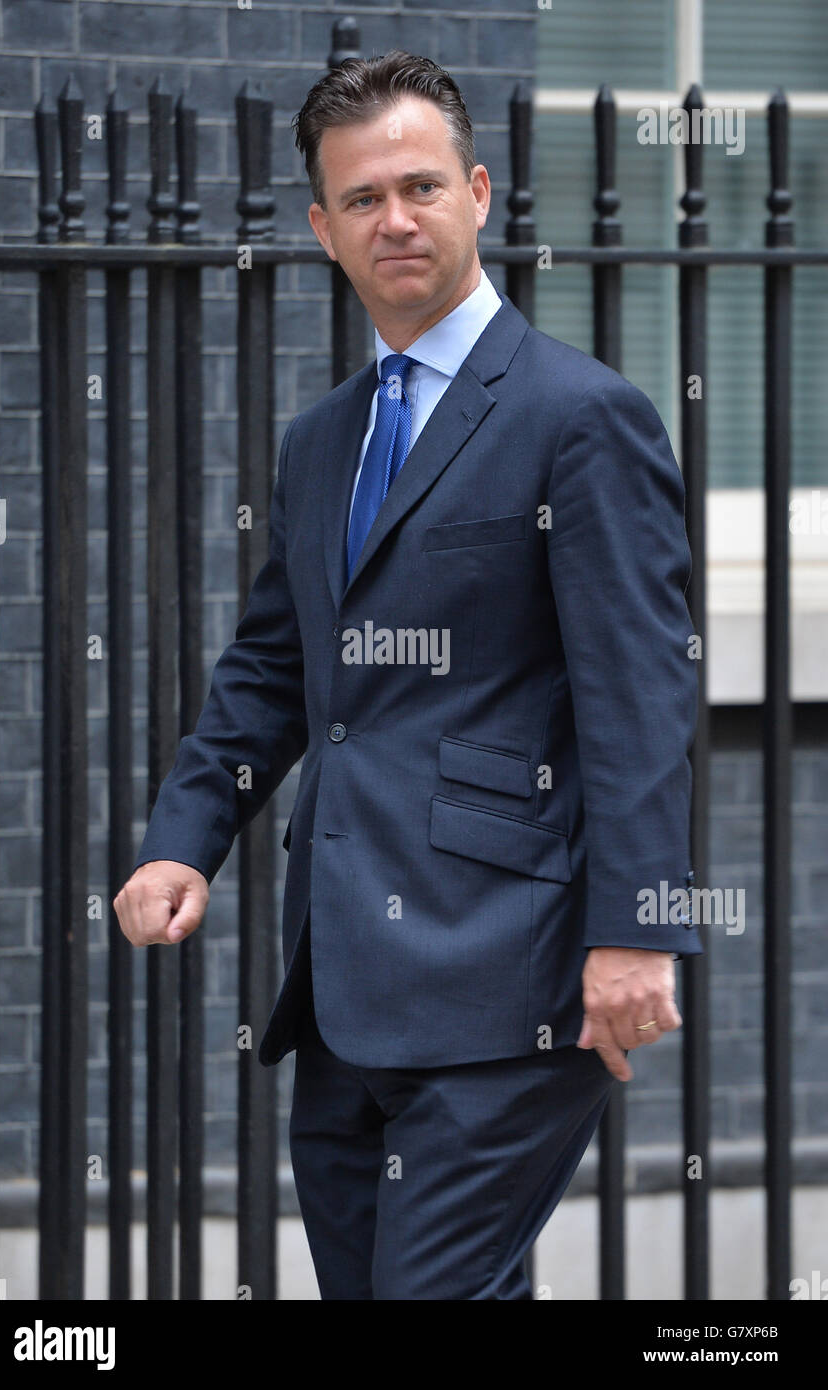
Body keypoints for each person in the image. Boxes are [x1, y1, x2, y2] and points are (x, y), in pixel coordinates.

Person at [114, 50, 702, 1300]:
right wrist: (185, 836)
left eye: (423, 186)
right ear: (323, 229)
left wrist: (640, 930)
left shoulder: (580, 417)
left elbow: (642, 692)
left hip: (510, 978)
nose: (398, 218)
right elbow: (277, 664)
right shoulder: (324, 438)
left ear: (480, 194)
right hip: (341, 992)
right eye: (365, 198)